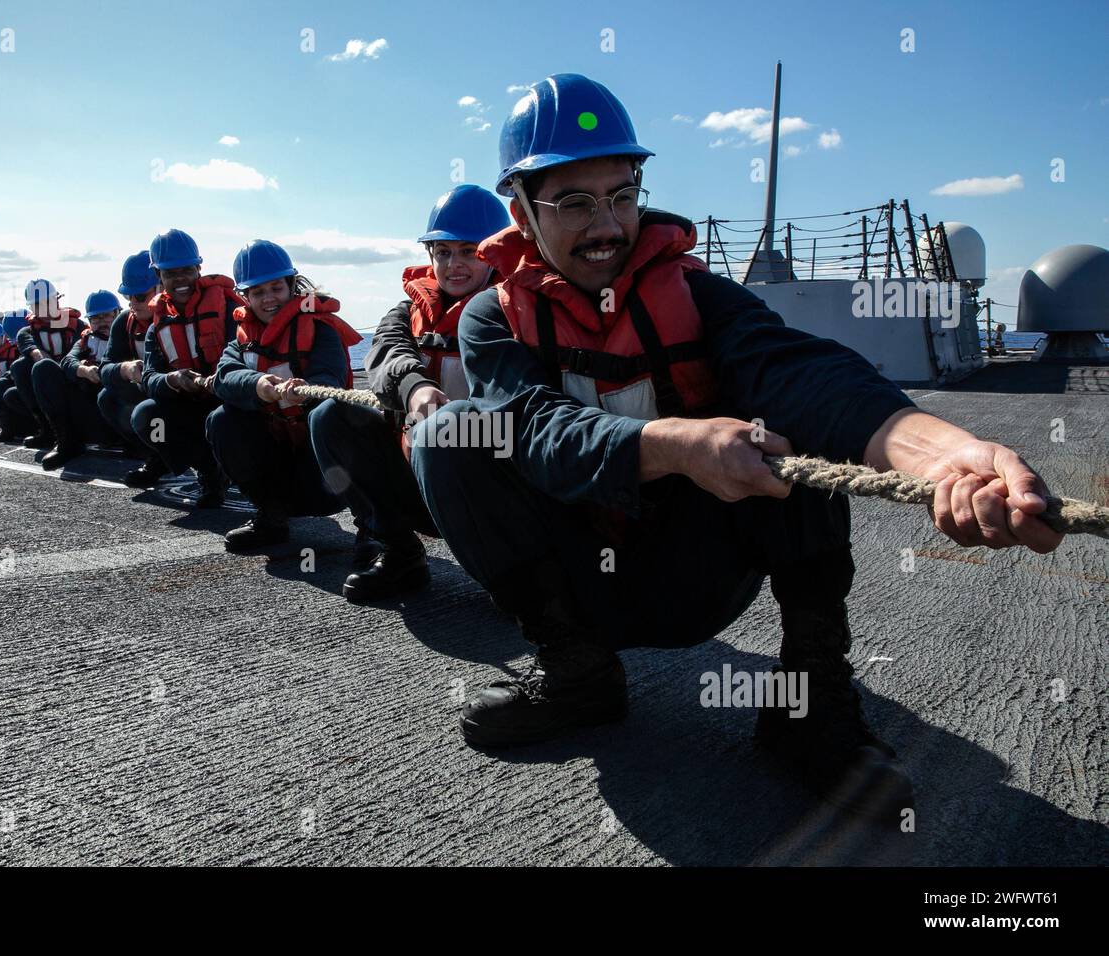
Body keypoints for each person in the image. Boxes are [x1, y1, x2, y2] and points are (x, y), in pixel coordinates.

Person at [409, 73, 1065, 817]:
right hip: (576, 568)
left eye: (623, 195)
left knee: (786, 432)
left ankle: (807, 700)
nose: (607, 225)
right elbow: (534, 429)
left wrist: (939, 451)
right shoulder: (493, 319)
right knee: (447, 436)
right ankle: (576, 670)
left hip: (695, 567)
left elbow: (798, 370)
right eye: (574, 203)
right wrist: (677, 443)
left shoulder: (698, 295)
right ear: (521, 211)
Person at [308, 184, 510, 601]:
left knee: (453, 434)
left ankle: (515, 569)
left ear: (493, 252)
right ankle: (399, 551)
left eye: (468, 251)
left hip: (498, 471)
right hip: (421, 464)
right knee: (329, 416)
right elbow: (386, 352)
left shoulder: (519, 309)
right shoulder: (405, 313)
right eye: (442, 253)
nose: (453, 265)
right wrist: (415, 387)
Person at [208, 240, 361, 552]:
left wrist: (303, 390)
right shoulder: (241, 340)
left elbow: (329, 379)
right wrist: (259, 383)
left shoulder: (321, 328)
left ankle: (372, 529)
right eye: (258, 292)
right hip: (277, 451)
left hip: (323, 465)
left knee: (331, 414)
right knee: (222, 419)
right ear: (245, 297)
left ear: (292, 285)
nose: (269, 299)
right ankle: (271, 516)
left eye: (276, 288)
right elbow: (224, 377)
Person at [133, 228, 238, 507]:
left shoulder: (228, 307)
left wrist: (220, 380)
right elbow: (149, 378)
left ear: (199, 268)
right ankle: (209, 471)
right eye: (170, 273)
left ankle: (259, 485)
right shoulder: (157, 324)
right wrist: (173, 379)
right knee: (146, 415)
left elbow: (243, 356)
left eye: (186, 271)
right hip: (189, 401)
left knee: (223, 420)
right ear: (159, 277)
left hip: (230, 400)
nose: (180, 279)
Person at [25, 290, 121, 470]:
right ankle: (66, 441)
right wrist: (83, 369)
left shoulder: (128, 335)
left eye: (106, 315)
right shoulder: (85, 340)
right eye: (95, 318)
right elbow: (68, 361)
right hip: (92, 411)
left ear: (117, 313)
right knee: (43, 368)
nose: (102, 322)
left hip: (118, 408)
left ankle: (145, 444)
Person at [99, 251, 166, 488]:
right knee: (108, 397)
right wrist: (125, 369)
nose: (133, 303)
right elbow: (105, 370)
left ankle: (211, 467)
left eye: (139, 296)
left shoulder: (184, 318)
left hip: (185, 398)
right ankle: (156, 455)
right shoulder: (125, 321)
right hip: (151, 397)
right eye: (128, 297)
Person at [6, 279, 88, 453]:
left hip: (76, 384)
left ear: (56, 300)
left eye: (47, 302)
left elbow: (80, 354)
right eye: (37, 304)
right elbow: (36, 353)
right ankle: (47, 428)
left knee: (42, 367)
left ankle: (69, 437)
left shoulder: (77, 325)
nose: (43, 308)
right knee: (18, 371)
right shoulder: (26, 332)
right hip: (46, 386)